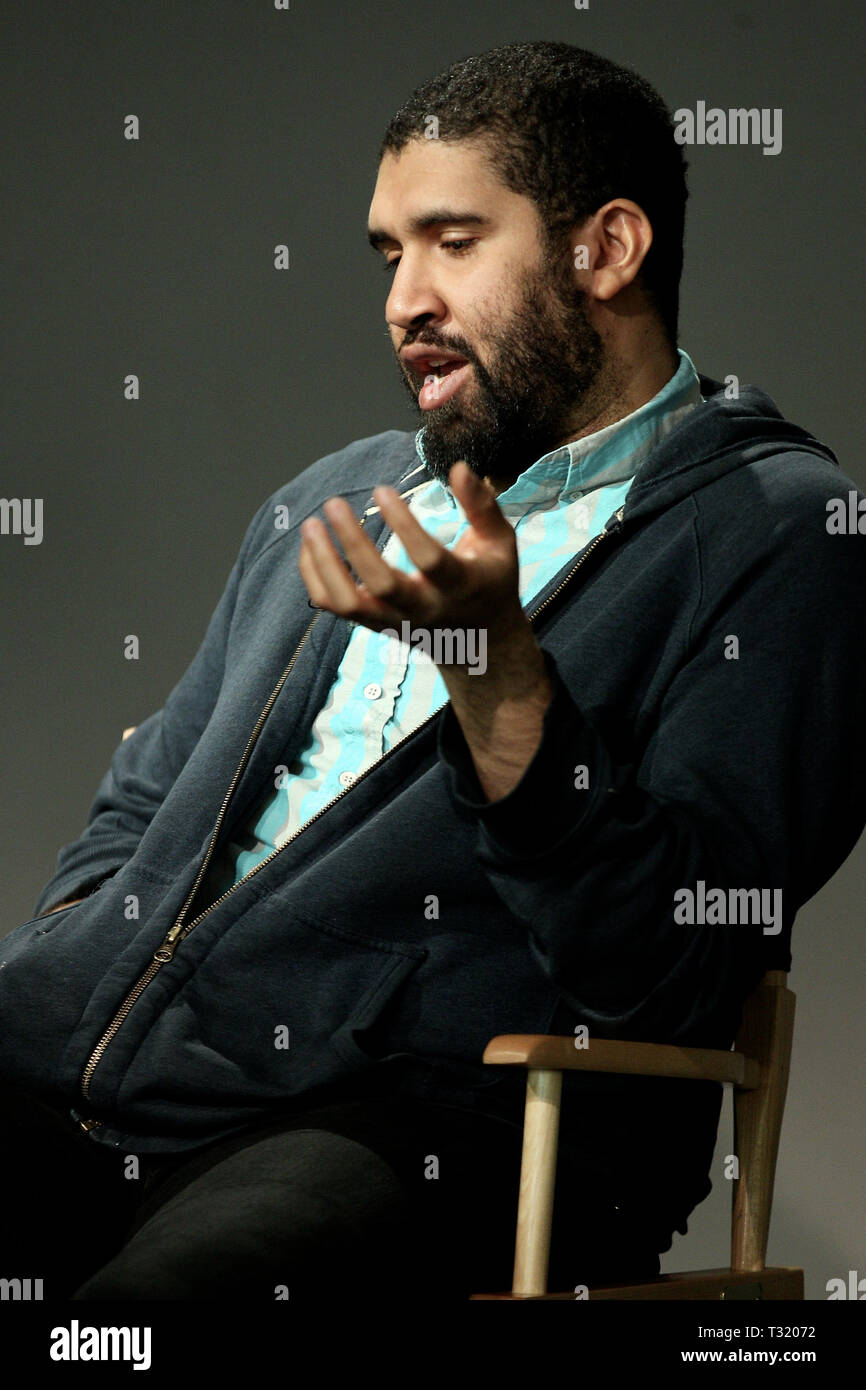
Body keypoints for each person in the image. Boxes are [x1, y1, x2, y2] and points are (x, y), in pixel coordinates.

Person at [2, 40, 864, 1302]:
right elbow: (143, 802)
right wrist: (74, 946)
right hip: (102, 1057)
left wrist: (503, 678)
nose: (403, 298)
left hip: (422, 1123)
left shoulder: (784, 535)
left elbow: (671, 967)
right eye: (387, 252)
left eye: (452, 241)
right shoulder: (337, 496)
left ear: (606, 249)